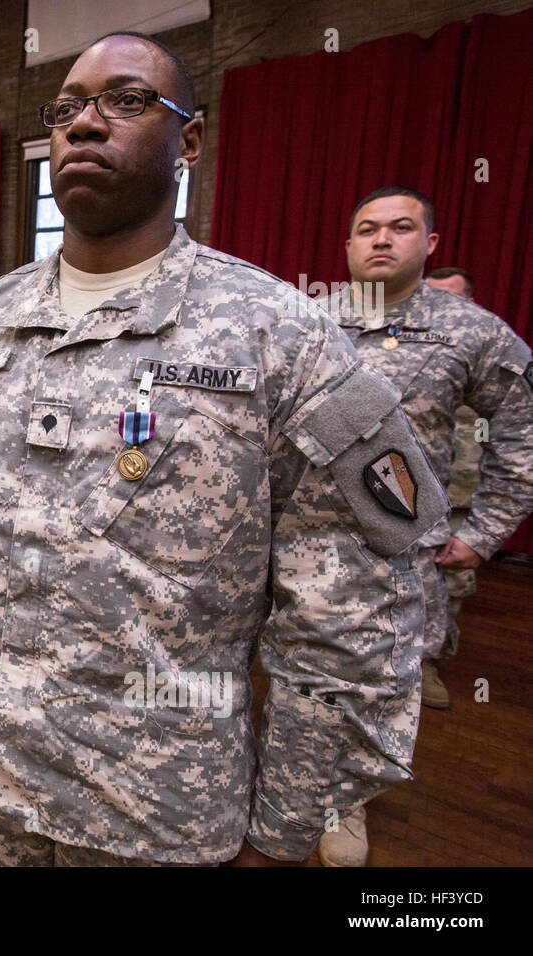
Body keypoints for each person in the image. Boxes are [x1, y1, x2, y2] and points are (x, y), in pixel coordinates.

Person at [0, 32, 446, 868]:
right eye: (68, 107)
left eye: (125, 100)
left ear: (190, 140)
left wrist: (289, 826)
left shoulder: (280, 335)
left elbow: (352, 619)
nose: (84, 124)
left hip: (152, 811)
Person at [313, 189, 533, 866]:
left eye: (400, 228)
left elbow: (521, 434)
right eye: (367, 229)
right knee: (295, 677)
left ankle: (345, 799)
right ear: (347, 246)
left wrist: (486, 529)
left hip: (397, 551)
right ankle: (288, 780)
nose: (382, 240)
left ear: (429, 244)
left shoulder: (473, 332)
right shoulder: (307, 320)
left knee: (378, 682)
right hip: (296, 540)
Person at [425, 267, 480, 672]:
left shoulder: (483, 350)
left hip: (461, 488)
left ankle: (432, 661)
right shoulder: (413, 350)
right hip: (408, 489)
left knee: (452, 578)